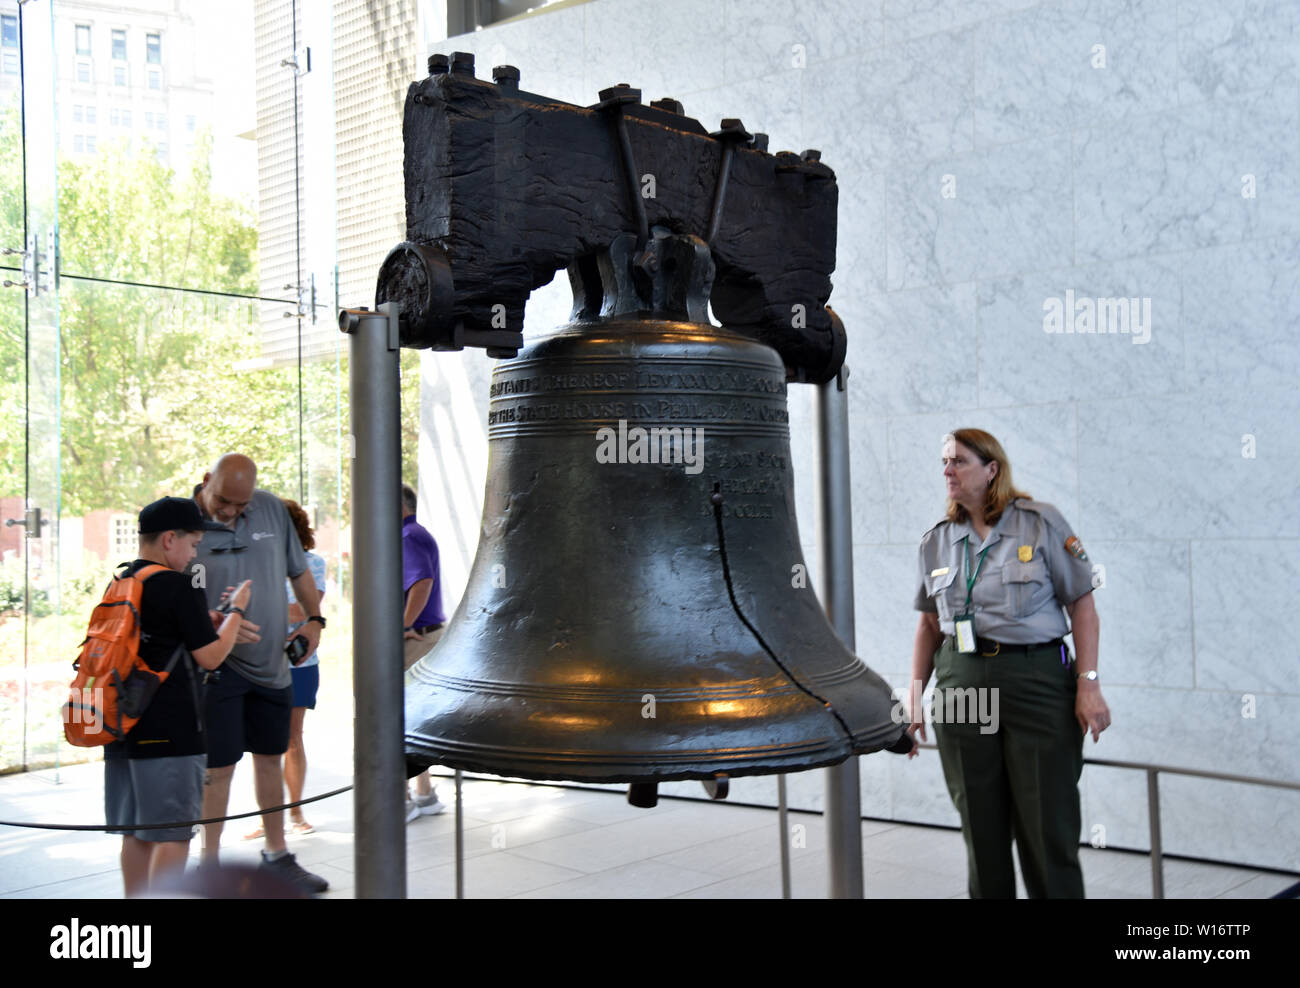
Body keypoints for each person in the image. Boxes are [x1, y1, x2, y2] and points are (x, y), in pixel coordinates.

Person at [907, 429, 1111, 898]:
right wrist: (914, 699)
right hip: (962, 683)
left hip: (1035, 677)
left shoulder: (1041, 523)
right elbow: (927, 628)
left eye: (958, 461)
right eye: (943, 462)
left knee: (1047, 823)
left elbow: (1082, 605)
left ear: (991, 468)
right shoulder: (936, 542)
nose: (947, 471)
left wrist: (1089, 683)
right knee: (980, 826)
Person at [190, 453, 329, 894]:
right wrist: (213, 620)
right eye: (223, 502)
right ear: (206, 480)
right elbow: (162, 589)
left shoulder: (269, 508)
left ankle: (277, 856)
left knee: (271, 757)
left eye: (240, 505)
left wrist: (315, 619)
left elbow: (299, 570)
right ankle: (209, 865)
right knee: (219, 767)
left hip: (273, 667)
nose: (231, 512)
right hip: (218, 668)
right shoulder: (181, 520)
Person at [104, 496, 250, 897]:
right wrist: (236, 612)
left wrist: (206, 622)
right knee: (174, 833)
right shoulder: (177, 585)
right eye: (194, 543)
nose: (194, 554)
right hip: (169, 731)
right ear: (170, 539)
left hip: (122, 724)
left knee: (138, 832)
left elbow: (163, 636)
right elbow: (211, 656)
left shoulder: (122, 580)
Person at [243, 498, 325, 839]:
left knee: (292, 738)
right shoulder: (255, 559)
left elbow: (304, 610)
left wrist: (258, 609)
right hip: (259, 660)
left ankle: (294, 811)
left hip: (299, 662)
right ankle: (267, 817)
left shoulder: (313, 562)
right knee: (262, 743)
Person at [401, 482, 446, 821]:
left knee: (392, 718)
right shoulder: (418, 533)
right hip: (427, 637)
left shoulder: (407, 537)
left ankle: (399, 799)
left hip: (414, 641)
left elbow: (422, 582)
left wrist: (402, 625)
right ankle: (425, 793)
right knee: (411, 719)